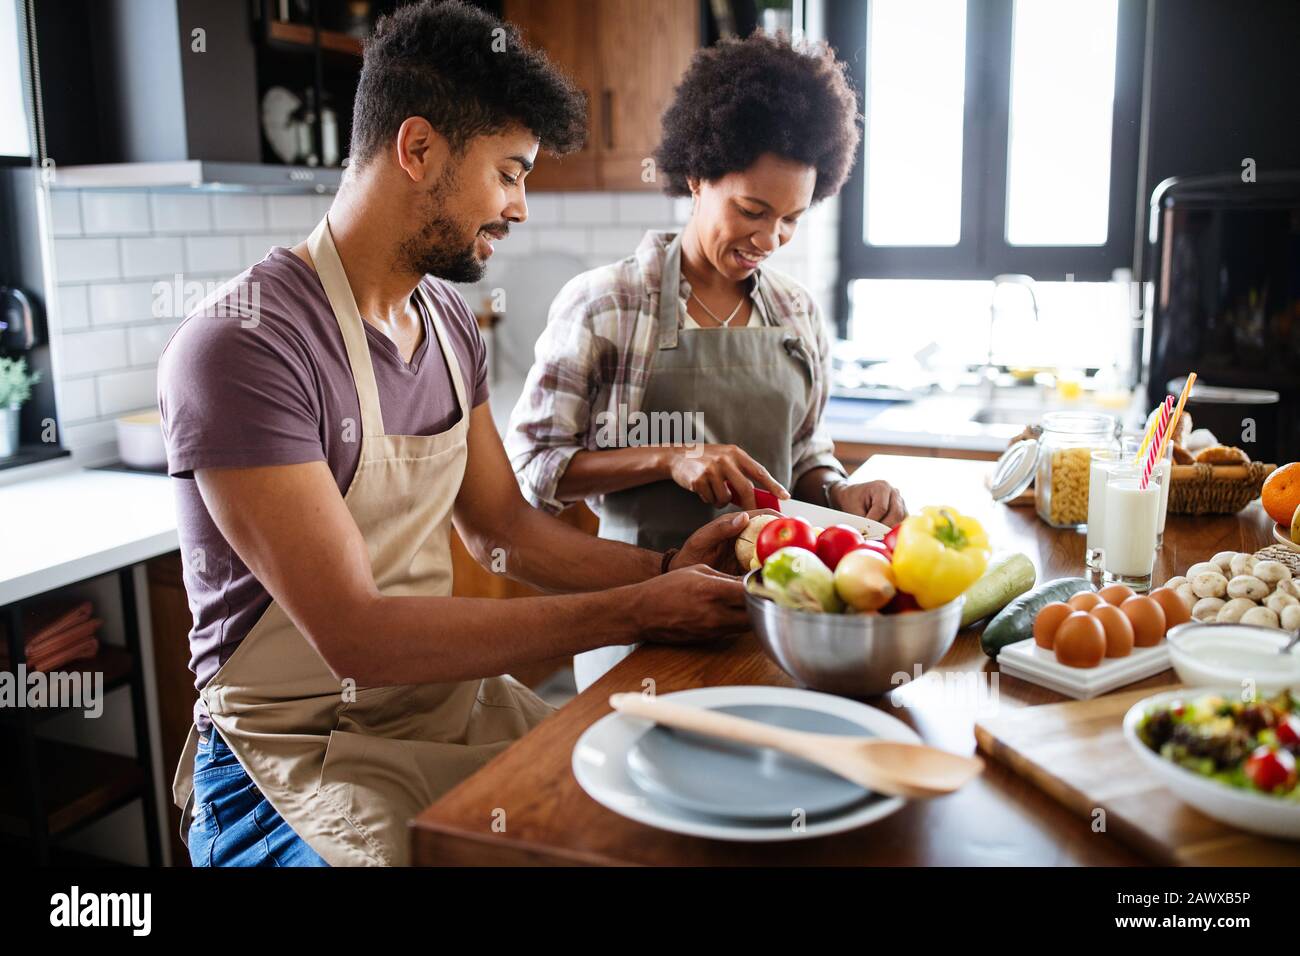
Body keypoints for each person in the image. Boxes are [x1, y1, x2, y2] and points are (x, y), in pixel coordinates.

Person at [157, 0, 753, 868]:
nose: (519, 208)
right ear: (419, 149)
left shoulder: (444, 320)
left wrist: (669, 573)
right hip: (282, 766)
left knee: (641, 826)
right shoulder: (242, 347)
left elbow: (502, 533)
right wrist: (630, 610)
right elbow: (356, 635)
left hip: (440, 710)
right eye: (510, 172)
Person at [507, 33, 908, 691]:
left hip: (781, 620)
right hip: (643, 623)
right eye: (751, 210)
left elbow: (804, 452)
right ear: (696, 175)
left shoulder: (797, 313)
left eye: (790, 220)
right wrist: (669, 456)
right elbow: (532, 470)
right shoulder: (604, 305)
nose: (769, 239)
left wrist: (838, 490)